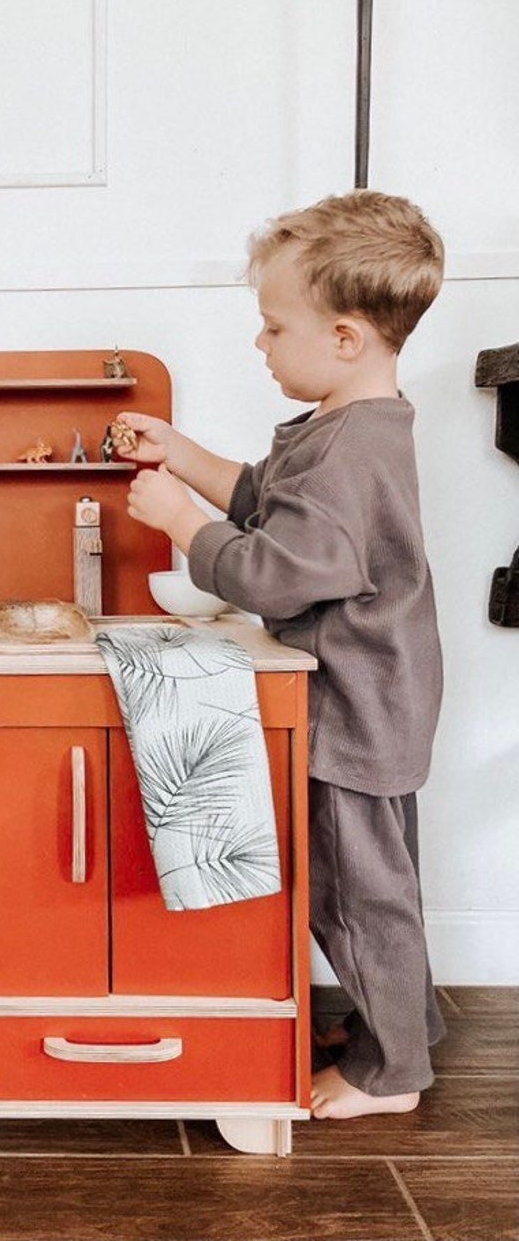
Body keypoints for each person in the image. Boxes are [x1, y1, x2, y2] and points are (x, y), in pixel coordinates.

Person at [116, 189, 446, 1121]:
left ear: (345, 337)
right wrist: (185, 457)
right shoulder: (354, 431)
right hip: (373, 699)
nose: (259, 344)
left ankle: (393, 1076)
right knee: (380, 884)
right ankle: (402, 1027)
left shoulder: (350, 451)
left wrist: (185, 524)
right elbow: (271, 501)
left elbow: (279, 573)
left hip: (352, 711)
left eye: (272, 326)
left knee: (352, 898)